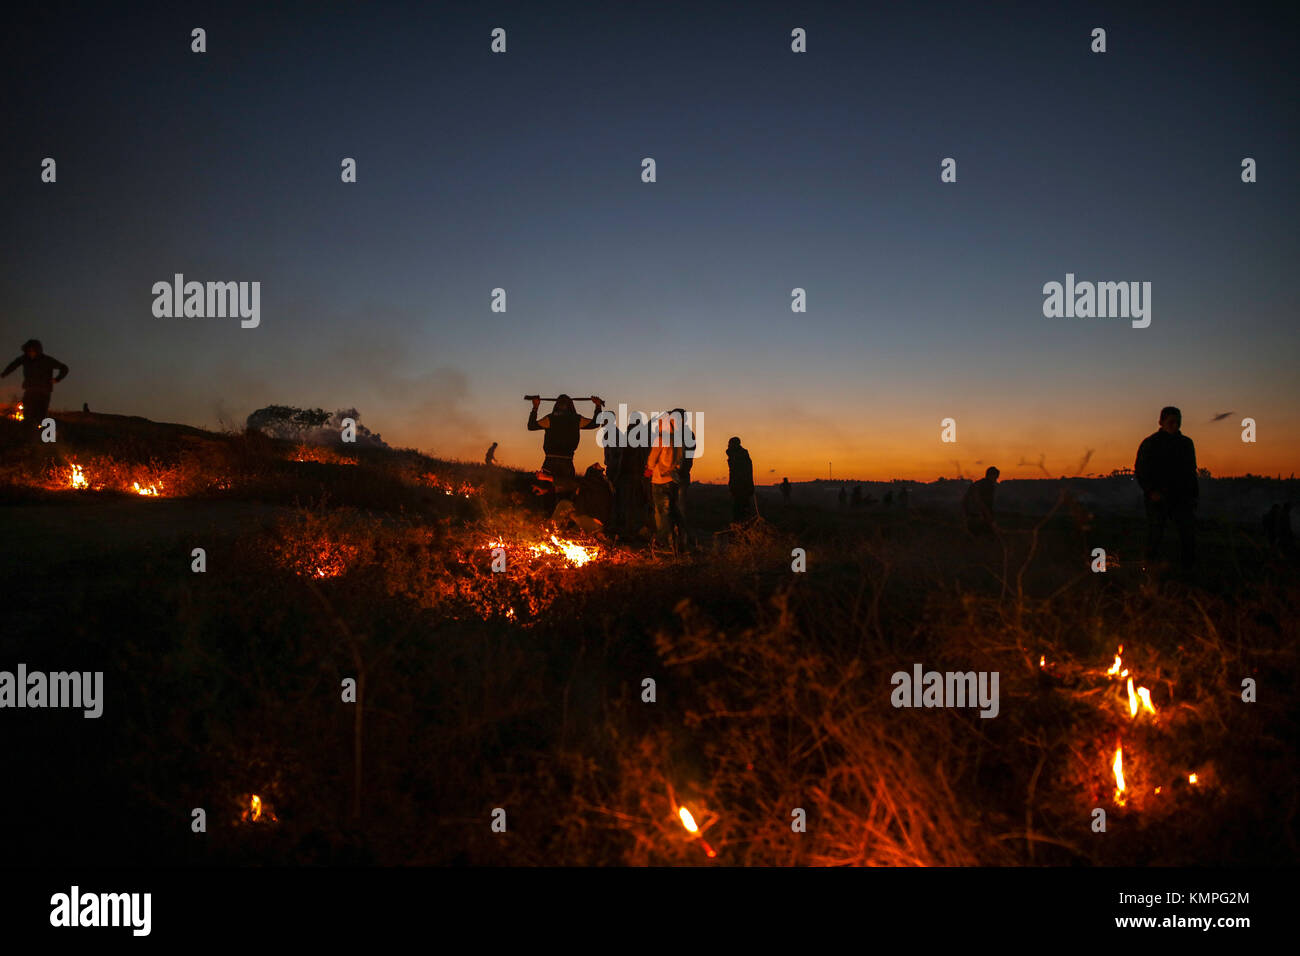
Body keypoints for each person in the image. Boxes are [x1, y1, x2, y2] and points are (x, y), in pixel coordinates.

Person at [1134, 407, 1197, 572]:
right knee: (1155, 535)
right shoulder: (1150, 443)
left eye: (1177, 422)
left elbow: (1191, 472)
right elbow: (1141, 471)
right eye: (1171, 422)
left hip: (1181, 497)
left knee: (1187, 535)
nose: (1175, 426)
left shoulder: (1186, 444)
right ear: (1161, 422)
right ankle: (1148, 570)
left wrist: (1193, 496)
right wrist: (1151, 491)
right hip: (1158, 497)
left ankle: (1187, 570)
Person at [527, 394, 604, 499]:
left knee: (546, 494)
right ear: (571, 405)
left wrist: (535, 407)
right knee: (565, 493)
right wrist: (598, 406)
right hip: (566, 462)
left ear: (556, 405)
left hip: (550, 462)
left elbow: (531, 426)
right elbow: (595, 423)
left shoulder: (550, 418)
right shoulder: (576, 419)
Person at [2, 339, 68, 438]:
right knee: (27, 414)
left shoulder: (47, 360)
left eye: (33, 351)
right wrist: (4, 374)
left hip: (44, 392)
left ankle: (42, 438)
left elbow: (64, 368)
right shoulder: (24, 359)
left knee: (40, 416)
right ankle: (26, 437)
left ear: (38, 350)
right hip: (30, 390)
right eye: (29, 351)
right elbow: (13, 365)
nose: (31, 353)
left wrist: (57, 379)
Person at [645, 413, 685, 553]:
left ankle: (664, 544)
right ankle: (677, 543)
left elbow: (651, 461)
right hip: (673, 480)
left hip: (660, 480)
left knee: (662, 513)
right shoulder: (679, 441)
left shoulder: (661, 439)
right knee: (673, 511)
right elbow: (681, 462)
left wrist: (649, 469)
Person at [963, 466, 1000, 534]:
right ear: (991, 475)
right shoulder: (988, 486)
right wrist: (989, 518)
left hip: (970, 516)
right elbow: (984, 503)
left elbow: (966, 500)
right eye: (996, 477)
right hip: (979, 517)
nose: (996, 480)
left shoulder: (977, 484)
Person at [726, 436, 755, 522]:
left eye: (729, 443)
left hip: (741, 486)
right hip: (741, 486)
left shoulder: (738, 455)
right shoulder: (741, 454)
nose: (728, 445)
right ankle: (741, 527)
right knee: (742, 508)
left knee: (740, 509)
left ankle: (740, 528)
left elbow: (741, 472)